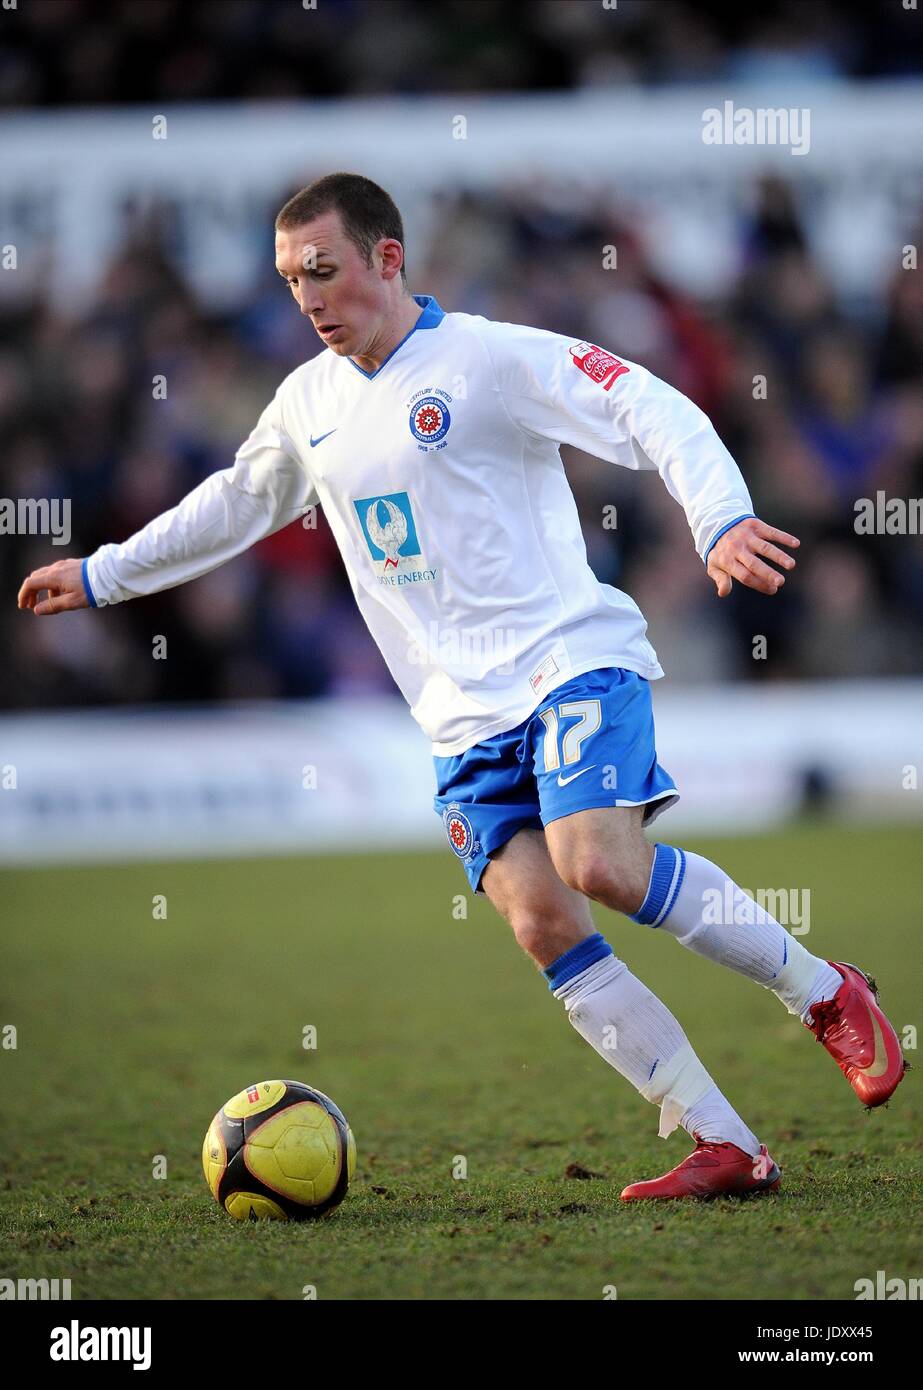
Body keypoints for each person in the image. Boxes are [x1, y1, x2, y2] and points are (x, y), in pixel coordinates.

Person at [18, 173, 906, 1200]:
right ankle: (726, 1143)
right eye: (287, 277)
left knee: (598, 864)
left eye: (323, 269)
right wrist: (103, 572)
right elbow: (234, 504)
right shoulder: (305, 402)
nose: (304, 295)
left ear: (387, 259)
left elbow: (645, 404)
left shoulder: (486, 357)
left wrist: (715, 517)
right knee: (541, 922)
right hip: (456, 715)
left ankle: (825, 991)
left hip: (566, 661)